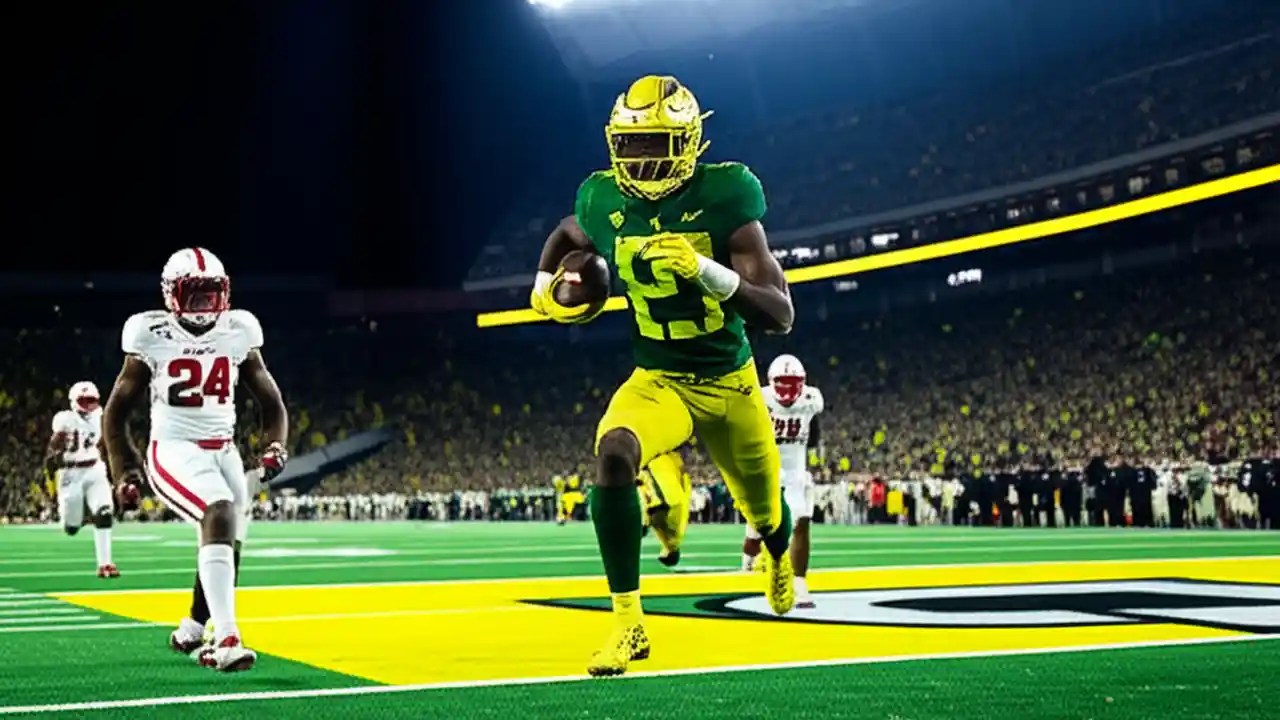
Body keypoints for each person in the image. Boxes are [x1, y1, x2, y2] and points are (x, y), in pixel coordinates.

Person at [528, 75, 796, 677]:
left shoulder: (727, 193)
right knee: (615, 451)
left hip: (729, 381)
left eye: (658, 145)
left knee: (764, 511)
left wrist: (708, 271)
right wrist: (544, 286)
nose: (644, 160)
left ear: (690, 142)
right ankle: (628, 624)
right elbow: (568, 232)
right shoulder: (602, 198)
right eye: (633, 145)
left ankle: (777, 551)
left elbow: (781, 314)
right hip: (659, 376)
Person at [102, 247, 288, 673]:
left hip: (223, 450)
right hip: (173, 447)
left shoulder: (239, 329)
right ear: (171, 294)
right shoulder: (149, 332)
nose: (205, 304)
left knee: (228, 539)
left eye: (211, 293)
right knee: (219, 513)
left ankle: (192, 627)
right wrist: (124, 470)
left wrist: (275, 444)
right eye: (195, 294)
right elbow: (116, 412)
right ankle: (226, 639)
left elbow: (271, 403)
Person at [741, 354, 824, 609]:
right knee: (758, 529)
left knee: (801, 520)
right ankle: (748, 556)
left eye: (793, 383)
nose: (788, 389)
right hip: (766, 469)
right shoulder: (759, 398)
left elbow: (814, 433)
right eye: (782, 383)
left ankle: (799, 581)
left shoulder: (811, 400)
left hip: (795, 470)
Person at [45, 381, 117, 578]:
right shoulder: (64, 419)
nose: (87, 404)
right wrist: (53, 455)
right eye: (83, 400)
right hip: (70, 473)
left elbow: (105, 444)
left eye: (91, 400)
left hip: (94, 468)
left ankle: (105, 564)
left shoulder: (101, 417)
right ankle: (77, 518)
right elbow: (54, 447)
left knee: (105, 512)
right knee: (71, 527)